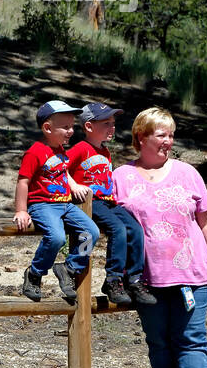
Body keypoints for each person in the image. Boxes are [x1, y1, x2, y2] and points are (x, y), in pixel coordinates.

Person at [114, 107, 207, 368]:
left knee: (190, 340)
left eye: (171, 134)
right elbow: (108, 219)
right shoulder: (121, 177)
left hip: (191, 273)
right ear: (141, 138)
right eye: (161, 134)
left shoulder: (187, 173)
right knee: (158, 342)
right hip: (145, 278)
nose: (168, 141)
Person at [65, 103, 155, 307]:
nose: (112, 128)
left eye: (113, 123)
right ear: (89, 127)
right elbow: (61, 168)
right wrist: (74, 185)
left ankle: (133, 279)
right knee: (118, 229)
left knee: (135, 229)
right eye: (106, 124)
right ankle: (113, 279)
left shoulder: (105, 152)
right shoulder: (80, 149)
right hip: (90, 203)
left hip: (108, 202)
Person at [13, 100, 99, 304]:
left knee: (91, 233)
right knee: (57, 238)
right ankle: (35, 273)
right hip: (43, 204)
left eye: (72, 126)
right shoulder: (35, 152)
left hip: (65, 204)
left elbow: (63, 172)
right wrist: (21, 210)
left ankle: (69, 268)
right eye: (66, 127)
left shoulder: (60, 150)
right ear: (47, 128)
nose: (71, 131)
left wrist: (74, 186)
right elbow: (23, 181)